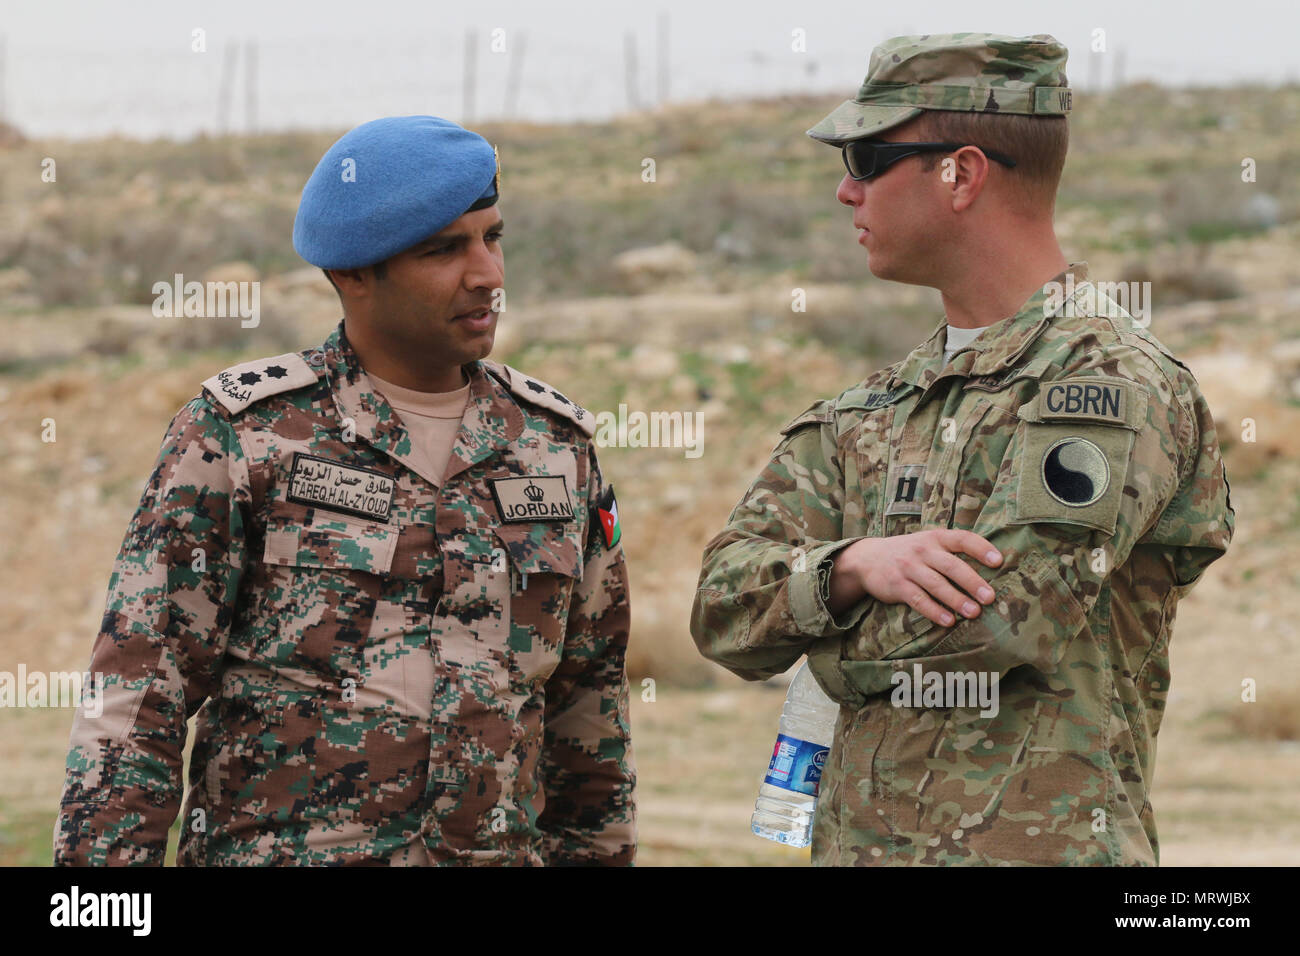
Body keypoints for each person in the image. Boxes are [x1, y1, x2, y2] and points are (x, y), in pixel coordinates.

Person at [691, 33, 1234, 865]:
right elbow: (721, 611)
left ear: (962, 173)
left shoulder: (1107, 382)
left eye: (869, 157)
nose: (845, 191)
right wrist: (850, 568)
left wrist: (818, 645)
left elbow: (1000, 625)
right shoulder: (872, 407)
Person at [54, 115, 635, 866]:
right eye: (444, 249)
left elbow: (590, 717)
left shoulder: (555, 449)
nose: (488, 274)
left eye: (493, 238)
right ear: (353, 273)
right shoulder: (243, 436)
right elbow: (139, 699)